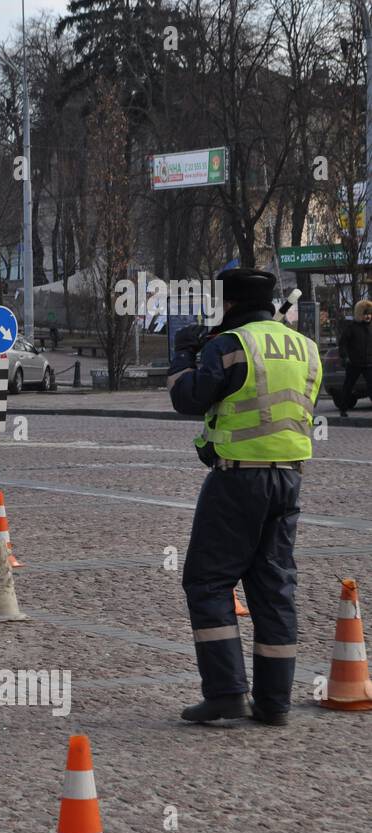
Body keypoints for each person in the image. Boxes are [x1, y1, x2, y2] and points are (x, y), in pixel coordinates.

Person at [168, 267, 322, 728]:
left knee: (208, 582)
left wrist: (182, 358)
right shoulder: (305, 348)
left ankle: (226, 693)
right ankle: (275, 703)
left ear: (229, 304)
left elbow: (190, 398)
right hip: (288, 479)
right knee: (274, 589)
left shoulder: (231, 345)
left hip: (237, 479)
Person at [337, 299, 372, 417]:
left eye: (369, 314)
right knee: (348, 386)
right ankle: (343, 409)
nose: (368, 316)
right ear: (359, 314)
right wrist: (345, 357)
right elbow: (343, 344)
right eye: (365, 314)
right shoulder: (351, 327)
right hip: (354, 363)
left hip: (369, 363)